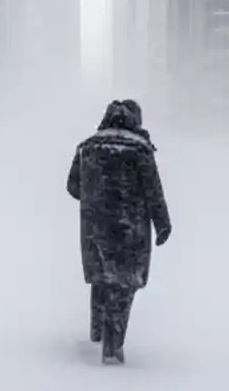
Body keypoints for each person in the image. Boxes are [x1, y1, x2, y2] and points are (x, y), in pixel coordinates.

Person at [67, 100, 171, 365]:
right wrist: (162, 224)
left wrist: (96, 198)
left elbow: (72, 187)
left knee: (102, 276)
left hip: (94, 227)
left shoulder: (87, 147)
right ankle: (112, 349)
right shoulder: (139, 149)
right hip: (129, 228)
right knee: (123, 284)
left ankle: (97, 331)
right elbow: (153, 191)